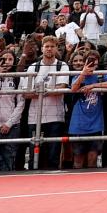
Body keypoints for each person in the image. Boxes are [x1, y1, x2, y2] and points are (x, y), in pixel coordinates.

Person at [22, 35, 71, 170]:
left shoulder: (62, 66)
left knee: (53, 155)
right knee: (35, 156)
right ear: (42, 48)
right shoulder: (34, 67)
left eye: (52, 46)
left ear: (56, 48)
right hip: (34, 117)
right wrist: (49, 90)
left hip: (55, 117)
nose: (49, 49)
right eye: (47, 46)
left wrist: (40, 91)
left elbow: (61, 89)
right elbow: (26, 93)